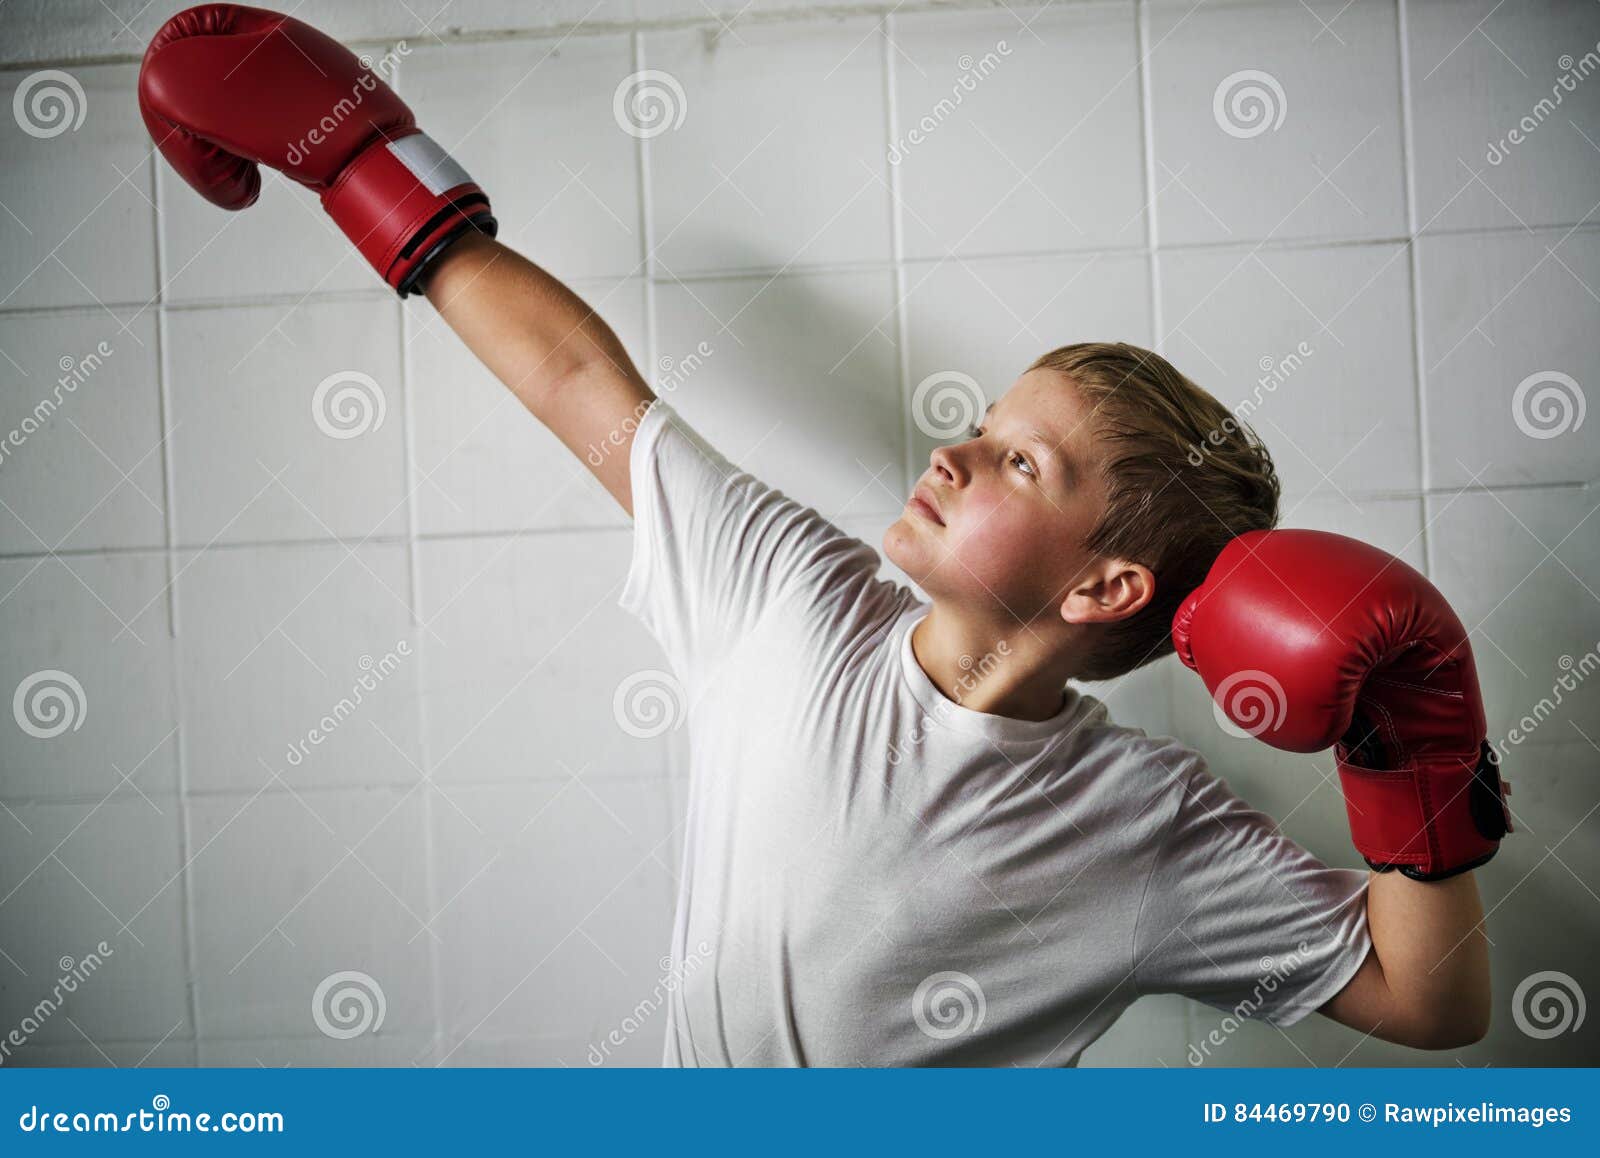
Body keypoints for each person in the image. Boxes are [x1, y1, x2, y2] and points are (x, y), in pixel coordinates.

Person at [138, 4, 1510, 1066]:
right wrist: (369, 167)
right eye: (981, 420)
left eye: (1016, 459)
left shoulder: (1145, 821)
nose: (952, 450)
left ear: (1106, 581)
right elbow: (582, 386)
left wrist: (1416, 749)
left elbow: (1429, 1004)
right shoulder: (790, 595)